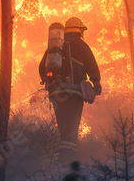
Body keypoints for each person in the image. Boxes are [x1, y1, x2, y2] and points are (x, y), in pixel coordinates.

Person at [39, 17, 101, 165]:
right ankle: (69, 159)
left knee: (63, 126)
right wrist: (96, 81)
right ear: (80, 30)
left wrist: (49, 82)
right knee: (72, 126)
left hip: (56, 93)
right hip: (74, 93)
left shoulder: (55, 46)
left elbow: (42, 68)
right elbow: (92, 65)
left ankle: (63, 158)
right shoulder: (81, 45)